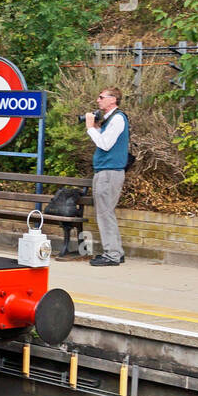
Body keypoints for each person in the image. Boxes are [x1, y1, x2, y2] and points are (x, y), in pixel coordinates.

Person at [85, 86, 129, 266]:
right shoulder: (111, 120)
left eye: (101, 97)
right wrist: (96, 127)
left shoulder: (118, 119)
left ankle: (112, 255)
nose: (98, 100)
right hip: (106, 171)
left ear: (113, 100)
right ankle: (116, 251)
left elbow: (105, 144)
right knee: (106, 213)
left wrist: (90, 128)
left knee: (104, 214)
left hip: (110, 172)